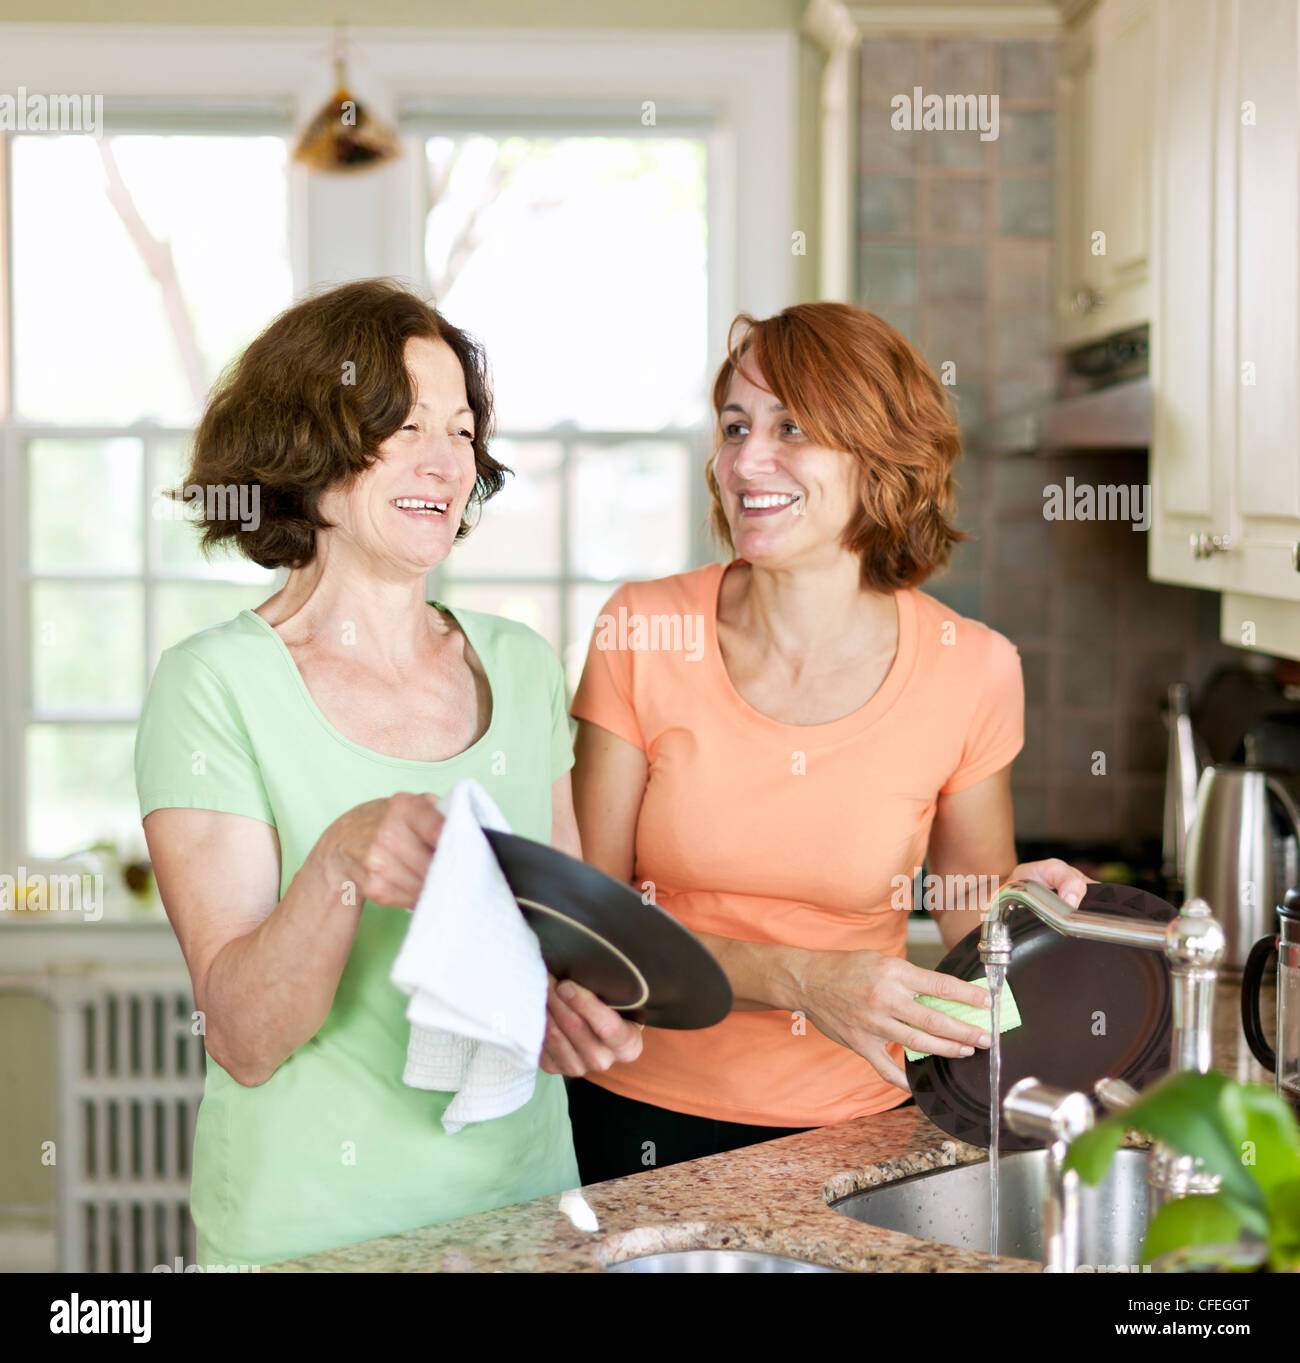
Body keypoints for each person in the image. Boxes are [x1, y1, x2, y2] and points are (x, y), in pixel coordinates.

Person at [134, 279, 641, 1266]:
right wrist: (342, 856)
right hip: (310, 1235)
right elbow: (243, 1034)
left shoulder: (522, 663)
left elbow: (563, 935)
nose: (446, 461)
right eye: (403, 426)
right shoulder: (214, 686)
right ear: (305, 448)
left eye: (459, 430)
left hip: (527, 1212)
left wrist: (575, 1010)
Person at [563, 301, 1087, 1183]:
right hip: (633, 1115)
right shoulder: (643, 629)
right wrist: (805, 976)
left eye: (791, 426)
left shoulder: (975, 668)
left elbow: (968, 917)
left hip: (857, 1128)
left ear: (880, 457)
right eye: (736, 426)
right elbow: (589, 922)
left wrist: (1019, 914)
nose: (745, 460)